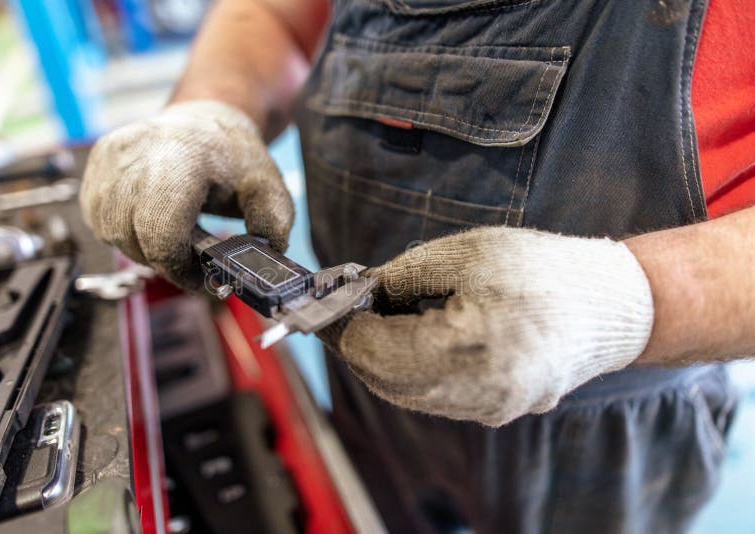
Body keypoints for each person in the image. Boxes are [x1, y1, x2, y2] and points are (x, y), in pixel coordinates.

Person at [80, 1, 755, 532]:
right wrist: (209, 109)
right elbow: (278, 16)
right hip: (367, 385)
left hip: (600, 445)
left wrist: (626, 300)